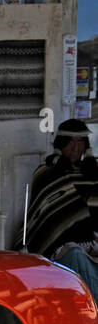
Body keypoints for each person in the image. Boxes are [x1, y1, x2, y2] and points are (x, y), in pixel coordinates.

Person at [24, 118, 98, 295]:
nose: (75, 148)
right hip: (57, 246)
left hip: (92, 244)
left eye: (80, 141)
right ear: (61, 143)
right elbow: (44, 213)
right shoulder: (46, 172)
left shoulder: (92, 173)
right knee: (75, 256)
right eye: (70, 142)